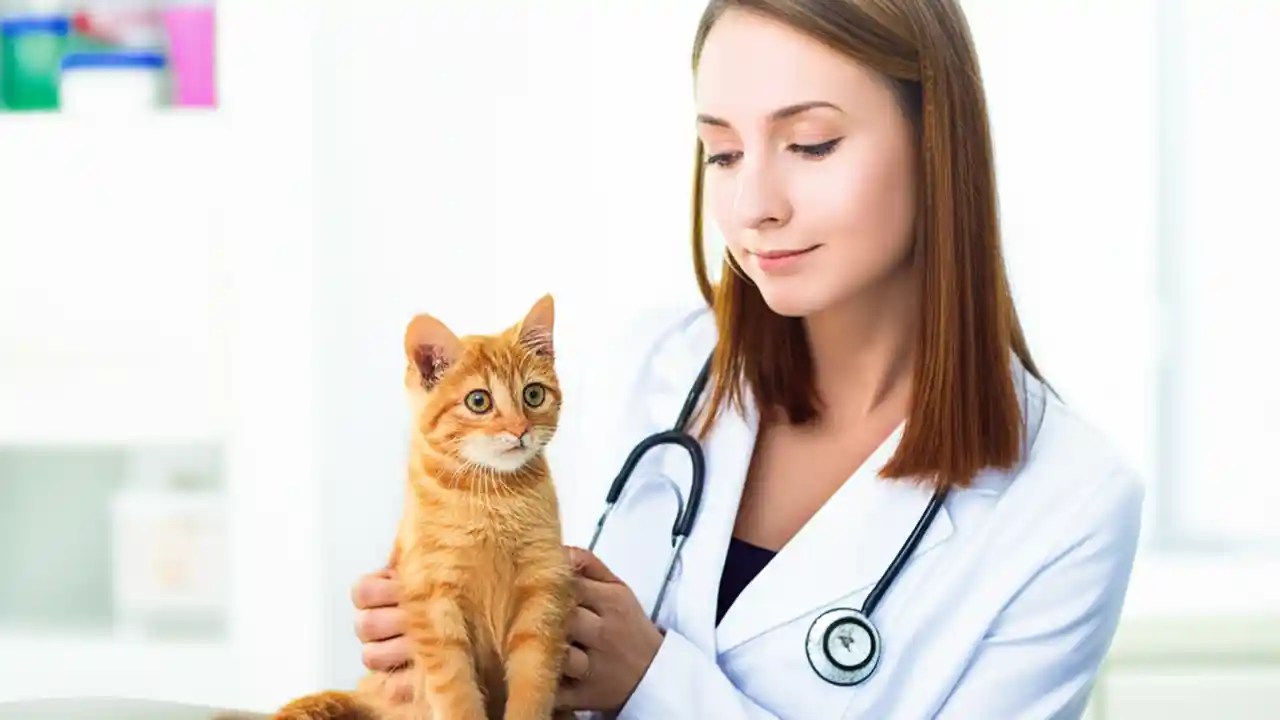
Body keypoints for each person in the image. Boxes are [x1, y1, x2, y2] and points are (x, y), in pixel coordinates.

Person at [349, 0, 1145, 717]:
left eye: (811, 143)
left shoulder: (1070, 504)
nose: (755, 205)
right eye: (723, 154)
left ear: (937, 142)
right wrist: (451, 637)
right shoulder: (650, 366)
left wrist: (655, 685)